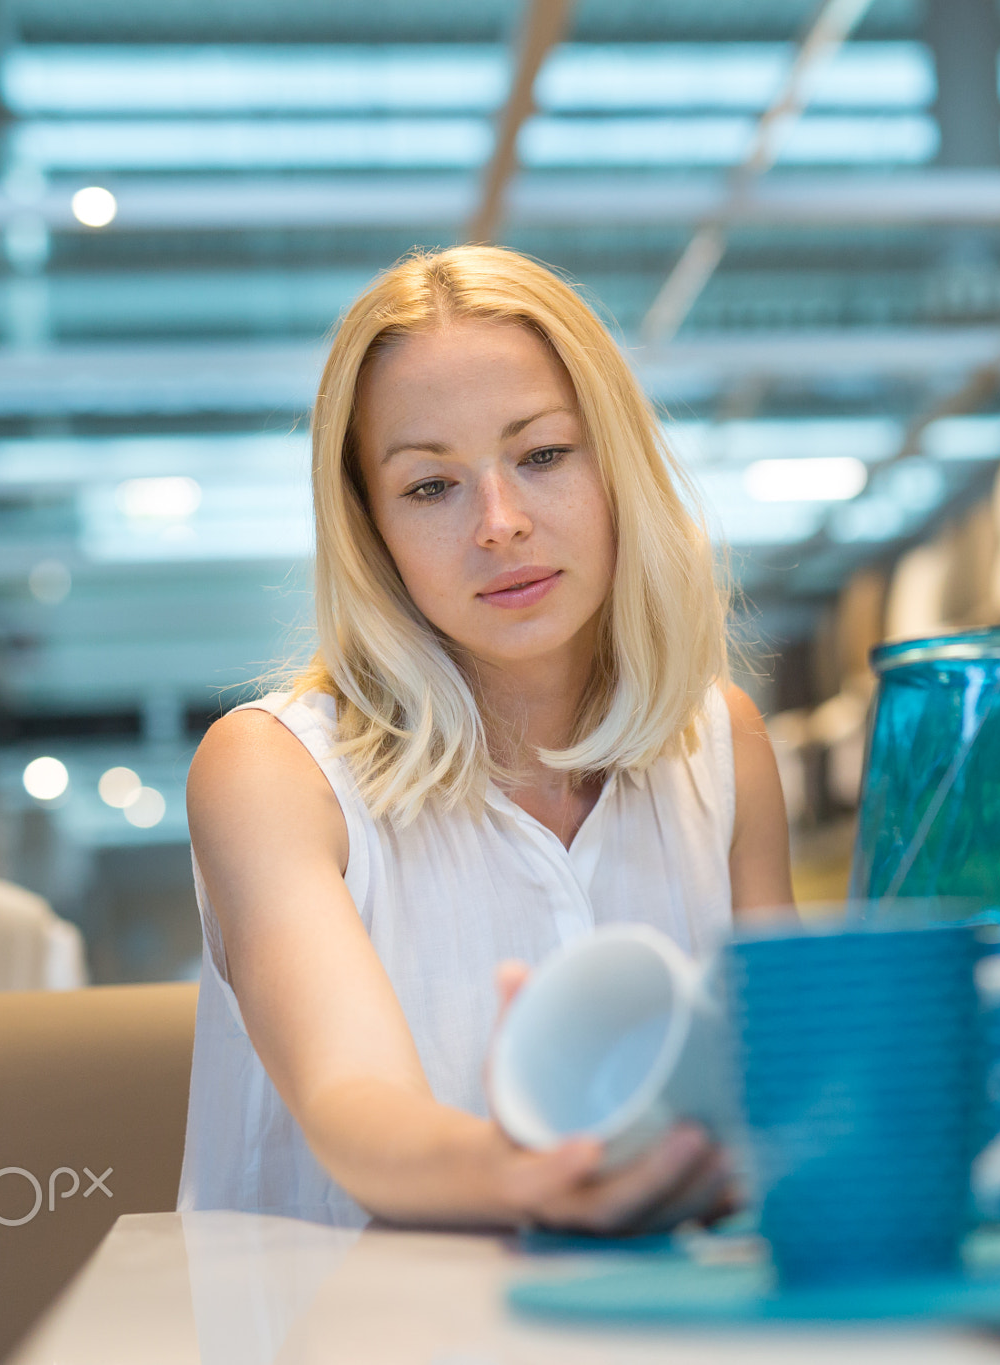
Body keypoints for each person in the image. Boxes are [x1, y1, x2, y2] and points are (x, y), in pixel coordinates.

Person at [178, 245, 793, 1231]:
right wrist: (532, 1176)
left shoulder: (721, 743)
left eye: (543, 455)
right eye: (431, 486)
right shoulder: (273, 771)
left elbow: (784, 1074)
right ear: (369, 525)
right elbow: (353, 1109)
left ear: (616, 465)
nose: (499, 524)